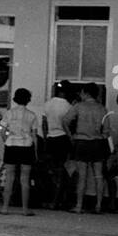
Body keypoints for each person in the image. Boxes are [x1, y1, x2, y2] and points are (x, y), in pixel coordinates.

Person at [63, 82, 108, 214]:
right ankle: (98, 205)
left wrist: (71, 135)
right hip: (98, 142)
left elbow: (65, 121)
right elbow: (107, 130)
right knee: (99, 176)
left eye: (81, 92)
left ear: (85, 92)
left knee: (82, 176)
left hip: (81, 142)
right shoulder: (102, 108)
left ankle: (79, 205)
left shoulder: (79, 106)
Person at [0, 88, 39, 216]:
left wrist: (7, 140)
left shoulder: (9, 113)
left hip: (11, 145)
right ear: (28, 100)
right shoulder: (32, 115)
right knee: (25, 179)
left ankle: (5, 208)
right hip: (26, 146)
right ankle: (25, 209)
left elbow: (2, 131)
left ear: (15, 99)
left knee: (9, 178)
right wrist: (35, 151)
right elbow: (35, 136)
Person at [40, 81, 75, 210]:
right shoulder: (69, 106)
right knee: (61, 169)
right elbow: (70, 125)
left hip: (50, 138)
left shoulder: (47, 104)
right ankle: (59, 199)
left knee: (52, 170)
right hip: (63, 139)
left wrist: (45, 138)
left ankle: (52, 199)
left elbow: (44, 123)